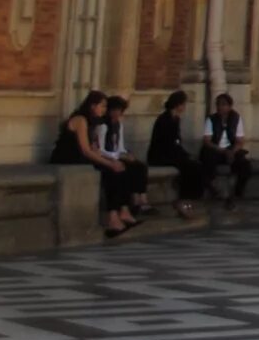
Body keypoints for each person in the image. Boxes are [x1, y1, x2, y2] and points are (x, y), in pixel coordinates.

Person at [50, 91, 136, 237]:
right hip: (69, 157)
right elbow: (86, 150)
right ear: (92, 106)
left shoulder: (94, 123)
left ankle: (123, 210)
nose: (103, 110)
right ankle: (112, 217)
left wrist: (113, 161)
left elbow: (96, 150)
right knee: (110, 172)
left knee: (121, 169)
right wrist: (109, 164)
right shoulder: (80, 120)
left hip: (83, 156)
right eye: (101, 106)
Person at [145, 89, 204, 218]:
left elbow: (176, 143)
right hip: (160, 155)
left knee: (195, 166)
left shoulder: (175, 119)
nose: (184, 107)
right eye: (183, 104)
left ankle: (187, 199)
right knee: (190, 167)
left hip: (170, 153)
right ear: (178, 105)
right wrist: (183, 155)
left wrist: (185, 154)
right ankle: (182, 200)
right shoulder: (164, 120)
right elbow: (167, 144)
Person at [97, 94, 152, 219]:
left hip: (116, 155)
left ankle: (141, 199)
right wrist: (118, 156)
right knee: (124, 171)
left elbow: (120, 145)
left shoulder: (119, 125)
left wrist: (126, 154)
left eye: (120, 110)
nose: (117, 113)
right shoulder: (103, 126)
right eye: (114, 110)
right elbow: (101, 150)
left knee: (139, 167)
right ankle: (128, 204)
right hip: (107, 157)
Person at [202, 92, 254, 208]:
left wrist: (232, 151)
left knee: (245, 165)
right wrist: (222, 151)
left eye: (224, 105)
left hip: (231, 149)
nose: (221, 107)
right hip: (216, 150)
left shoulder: (236, 118)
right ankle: (213, 189)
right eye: (218, 105)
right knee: (207, 159)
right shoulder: (211, 119)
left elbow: (240, 140)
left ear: (230, 106)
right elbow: (207, 141)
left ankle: (236, 193)